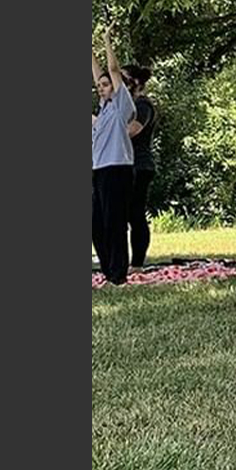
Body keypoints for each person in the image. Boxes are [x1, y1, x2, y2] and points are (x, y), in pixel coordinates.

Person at [92, 30, 135, 285]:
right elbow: (97, 73)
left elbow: (112, 70)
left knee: (115, 222)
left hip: (117, 169)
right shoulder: (103, 111)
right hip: (100, 171)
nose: (101, 87)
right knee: (97, 222)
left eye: (105, 85)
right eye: (98, 86)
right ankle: (108, 269)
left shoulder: (121, 107)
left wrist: (106, 41)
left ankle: (118, 274)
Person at [122, 63, 158, 268]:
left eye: (124, 80)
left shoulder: (143, 106)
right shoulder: (123, 106)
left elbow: (132, 130)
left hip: (140, 165)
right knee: (123, 214)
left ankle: (136, 263)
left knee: (135, 215)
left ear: (135, 83)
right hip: (125, 164)